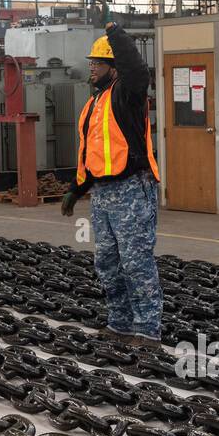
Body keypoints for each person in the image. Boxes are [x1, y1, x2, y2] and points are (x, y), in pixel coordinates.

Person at [61, 23, 164, 346]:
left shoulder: (128, 95)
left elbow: (137, 71)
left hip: (132, 189)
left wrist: (117, 34)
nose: (91, 67)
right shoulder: (93, 104)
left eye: (98, 62)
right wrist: (77, 189)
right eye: (91, 62)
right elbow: (90, 152)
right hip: (103, 195)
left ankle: (148, 329)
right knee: (106, 262)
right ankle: (119, 324)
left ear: (114, 67)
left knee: (136, 262)